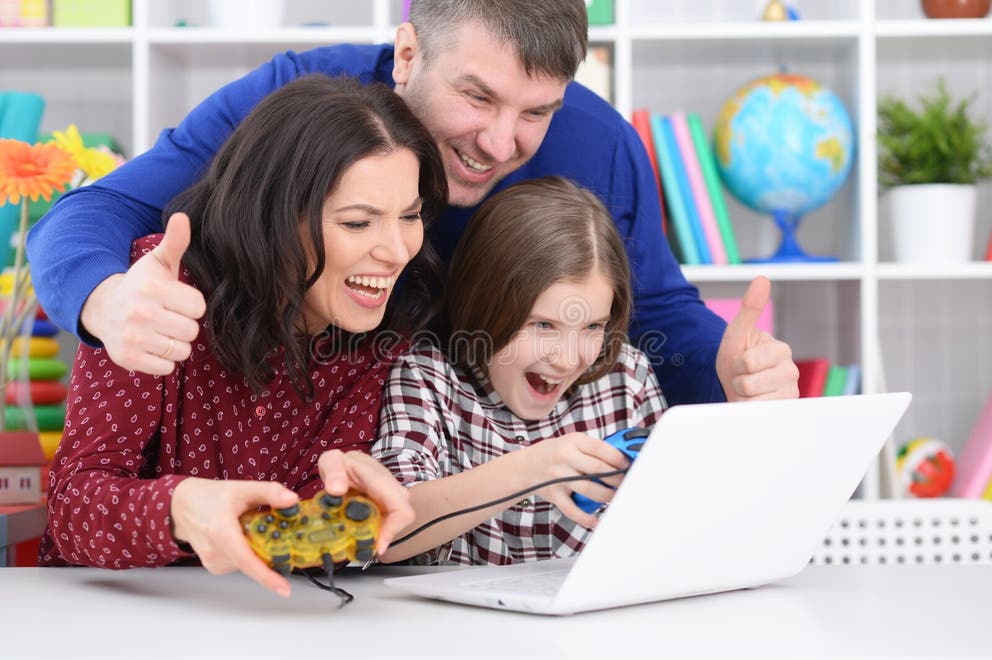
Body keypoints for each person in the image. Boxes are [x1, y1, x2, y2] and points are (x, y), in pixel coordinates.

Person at [26, 0, 798, 408]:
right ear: (406, 54)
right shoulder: (293, 106)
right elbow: (93, 214)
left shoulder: (600, 144)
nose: (501, 143)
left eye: (537, 112)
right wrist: (103, 298)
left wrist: (725, 367)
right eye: (477, 96)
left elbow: (658, 313)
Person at [38, 74, 449, 597]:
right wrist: (179, 510)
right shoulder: (159, 292)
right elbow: (74, 510)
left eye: (409, 216)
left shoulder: (380, 326)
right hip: (108, 615)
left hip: (267, 620)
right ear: (276, 217)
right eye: (358, 223)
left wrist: (349, 507)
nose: (396, 251)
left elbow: (311, 523)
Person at [371, 177, 792, 565]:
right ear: (484, 304)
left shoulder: (626, 378)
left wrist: (740, 431)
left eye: (592, 327)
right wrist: (530, 470)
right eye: (542, 325)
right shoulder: (427, 378)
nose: (568, 359)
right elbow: (389, 532)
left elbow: (680, 526)